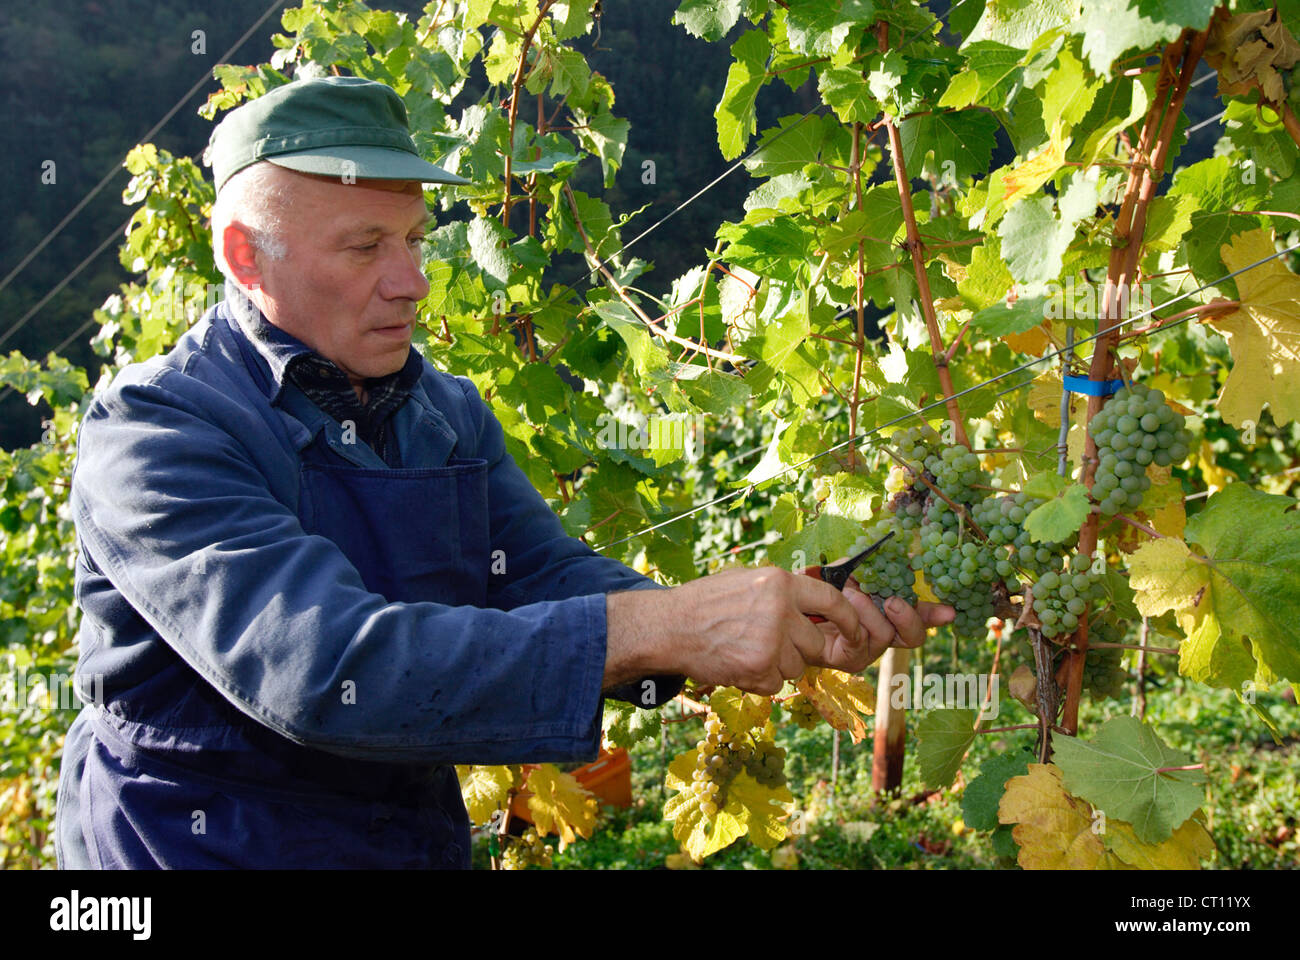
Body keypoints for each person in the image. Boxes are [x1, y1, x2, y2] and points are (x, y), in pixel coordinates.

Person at [55, 76, 953, 869]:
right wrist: (669, 626)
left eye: (414, 238)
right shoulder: (158, 430)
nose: (412, 281)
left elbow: (544, 578)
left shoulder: (442, 410)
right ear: (246, 256)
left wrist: (750, 624)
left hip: (405, 839)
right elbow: (323, 669)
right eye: (366, 247)